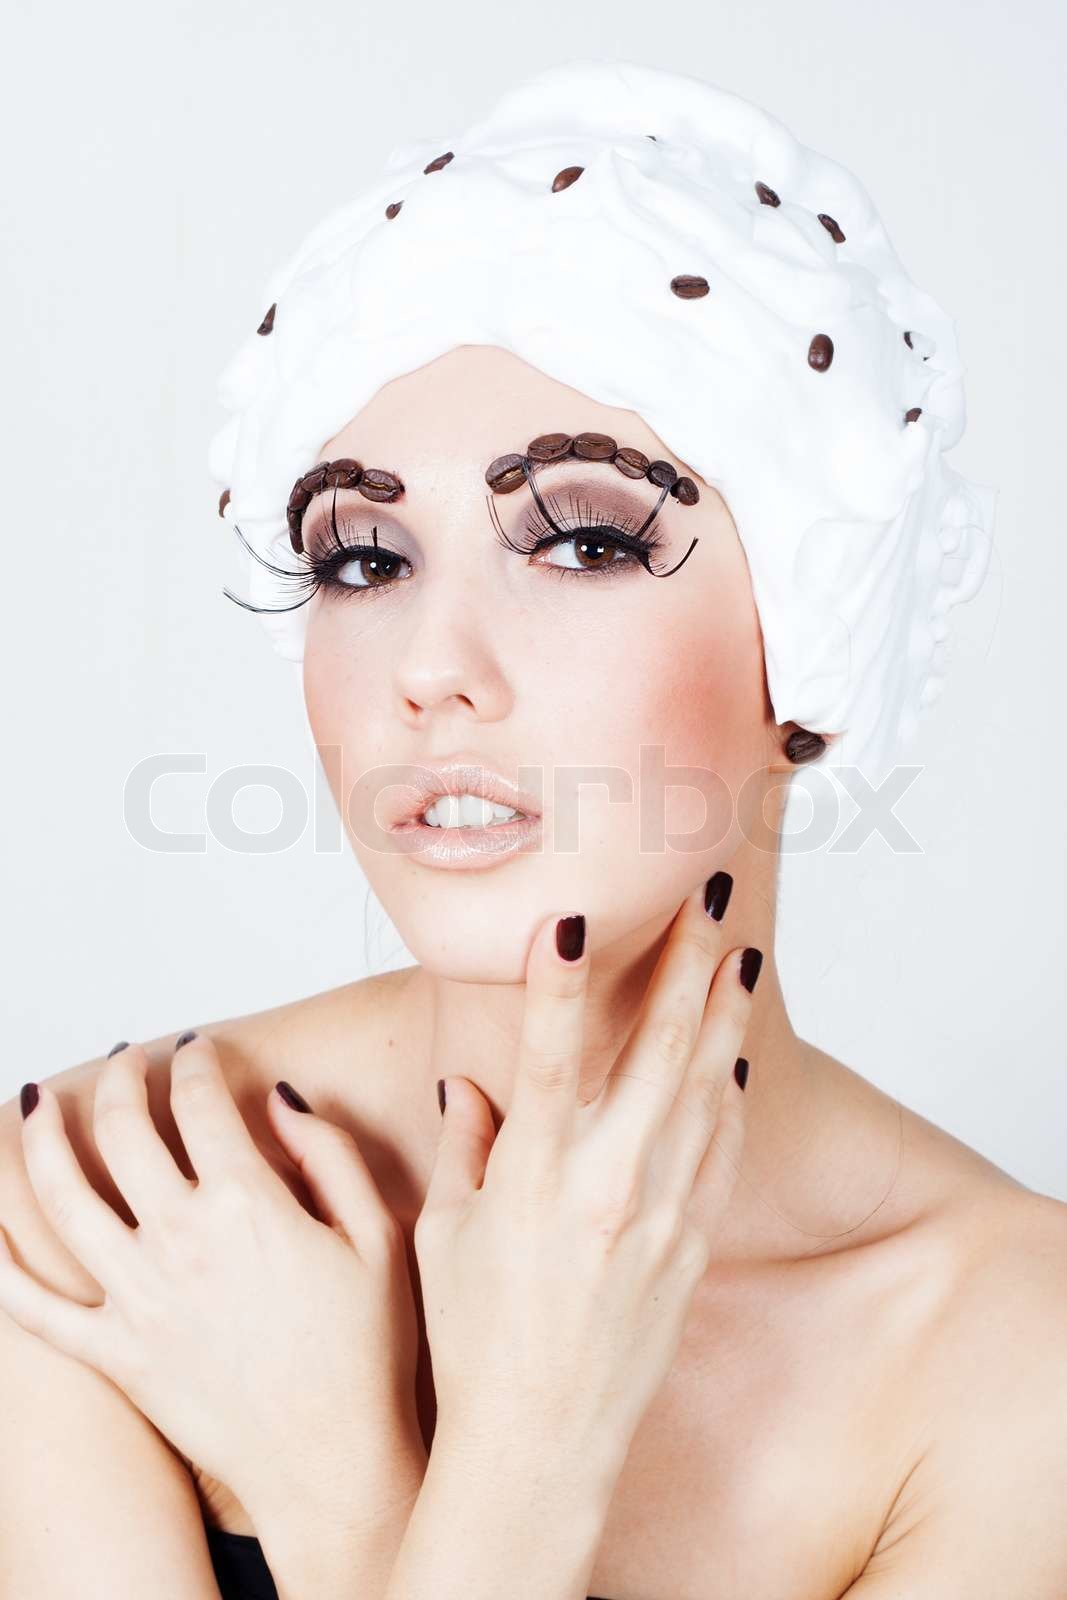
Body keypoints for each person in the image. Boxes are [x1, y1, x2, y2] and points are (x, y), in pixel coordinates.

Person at [2, 56, 1064, 1600]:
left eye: (579, 539)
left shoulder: (1014, 1353)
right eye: (365, 560)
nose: (431, 669)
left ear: (815, 638)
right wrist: (484, 1478)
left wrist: (376, 1499)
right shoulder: (140, 1202)